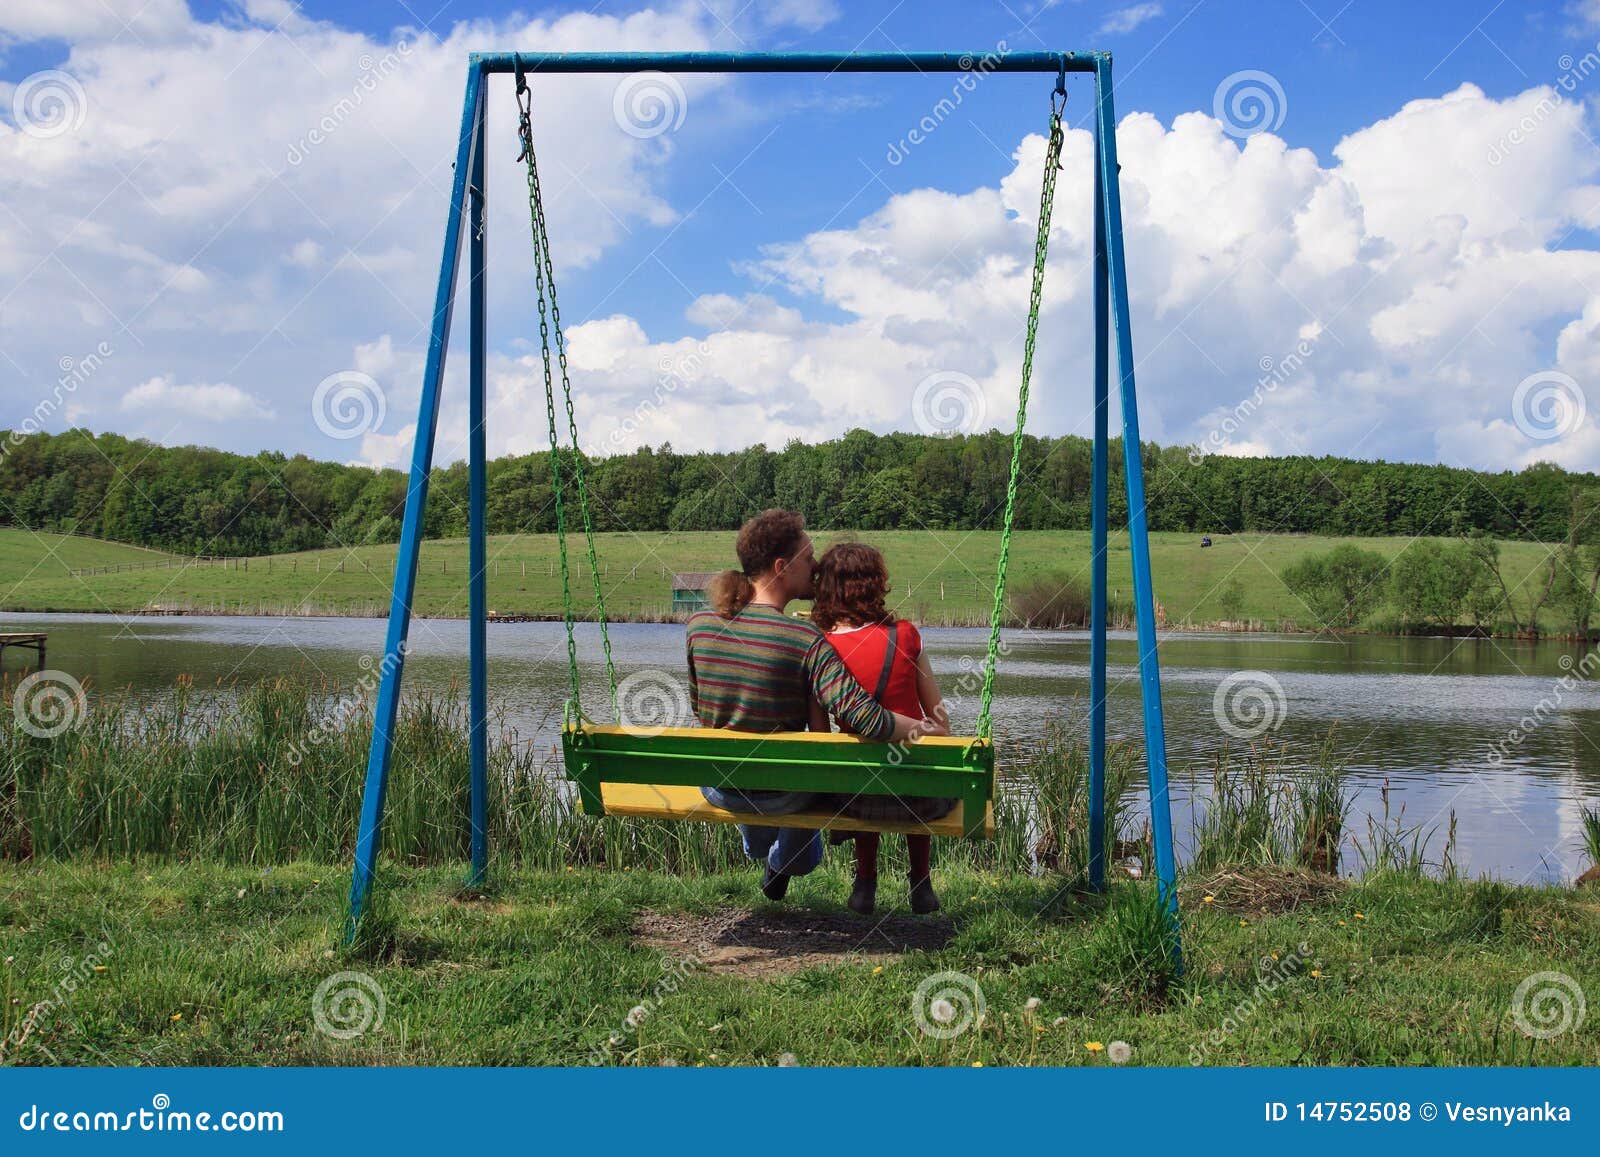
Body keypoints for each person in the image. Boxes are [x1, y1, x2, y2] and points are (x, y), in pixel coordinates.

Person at [686, 509, 936, 903]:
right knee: (814, 788)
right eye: (808, 558)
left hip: (720, 784)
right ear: (782, 567)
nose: (816, 566)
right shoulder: (804, 637)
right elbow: (863, 717)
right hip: (782, 792)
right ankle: (783, 861)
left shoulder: (698, 625)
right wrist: (929, 731)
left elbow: (702, 708)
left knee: (776, 782)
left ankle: (764, 850)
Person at [811, 542, 951, 916]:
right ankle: (920, 882)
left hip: (854, 798)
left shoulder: (820, 646)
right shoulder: (907, 636)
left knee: (866, 772)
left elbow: (821, 737)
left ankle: (865, 882)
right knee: (914, 768)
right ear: (876, 584)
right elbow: (940, 722)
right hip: (919, 798)